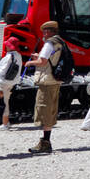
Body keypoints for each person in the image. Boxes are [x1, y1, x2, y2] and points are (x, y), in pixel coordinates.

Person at [25, 20, 65, 154]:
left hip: (47, 80)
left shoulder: (49, 43)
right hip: (55, 80)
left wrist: (30, 62)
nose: (43, 34)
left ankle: (45, 143)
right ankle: (46, 141)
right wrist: (39, 57)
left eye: (44, 32)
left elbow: (42, 62)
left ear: (48, 32)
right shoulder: (60, 42)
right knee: (51, 109)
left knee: (44, 109)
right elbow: (50, 59)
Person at [0, 37, 25, 131]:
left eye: (7, 45)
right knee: (6, 101)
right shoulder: (18, 55)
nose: (6, 46)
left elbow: (1, 71)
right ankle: (6, 122)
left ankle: (5, 124)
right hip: (11, 82)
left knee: (3, 103)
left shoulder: (8, 56)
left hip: (3, 82)